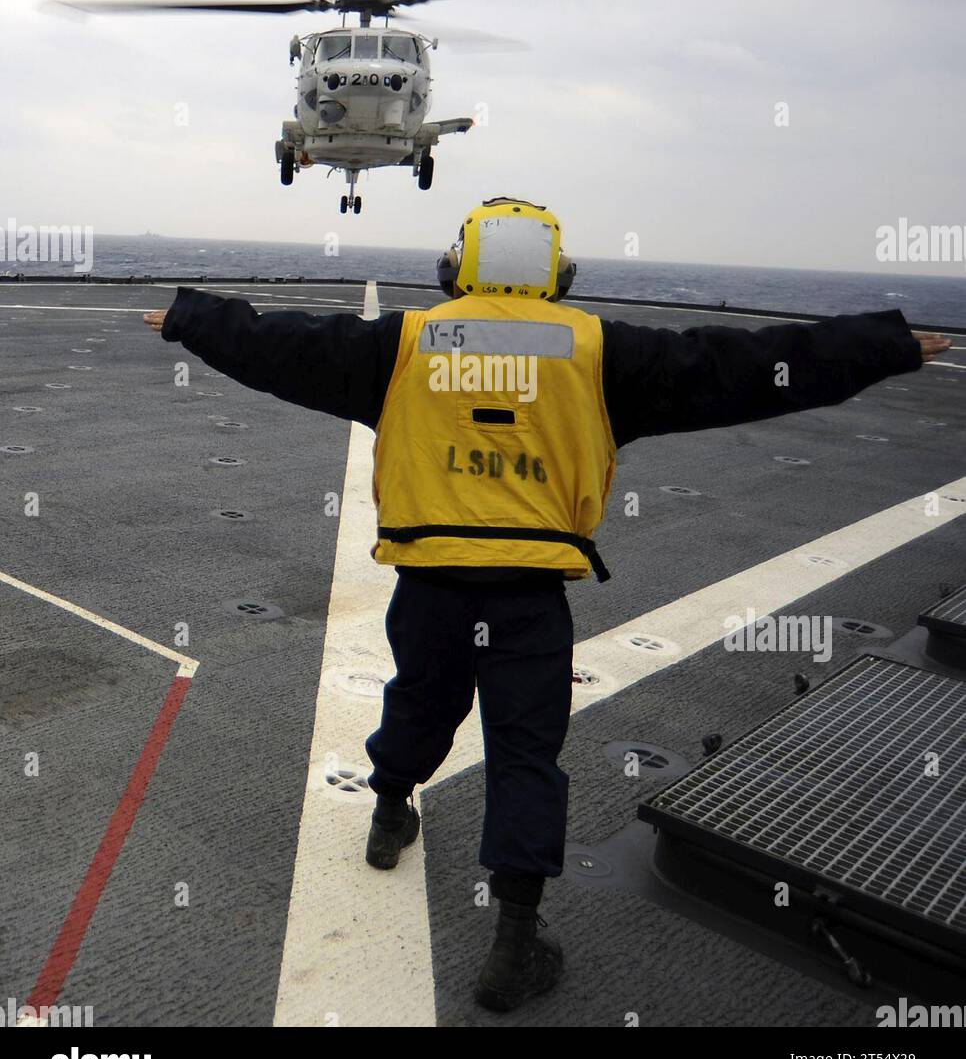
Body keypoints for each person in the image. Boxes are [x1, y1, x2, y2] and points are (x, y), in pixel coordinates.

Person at [144, 197, 950, 1013]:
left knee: (421, 700)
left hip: (432, 583)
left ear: (454, 267)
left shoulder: (403, 344)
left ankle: (390, 810)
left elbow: (280, 345)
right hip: (528, 598)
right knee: (526, 756)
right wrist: (879, 347)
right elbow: (743, 365)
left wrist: (190, 315)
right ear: (558, 275)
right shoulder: (602, 354)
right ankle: (514, 943)